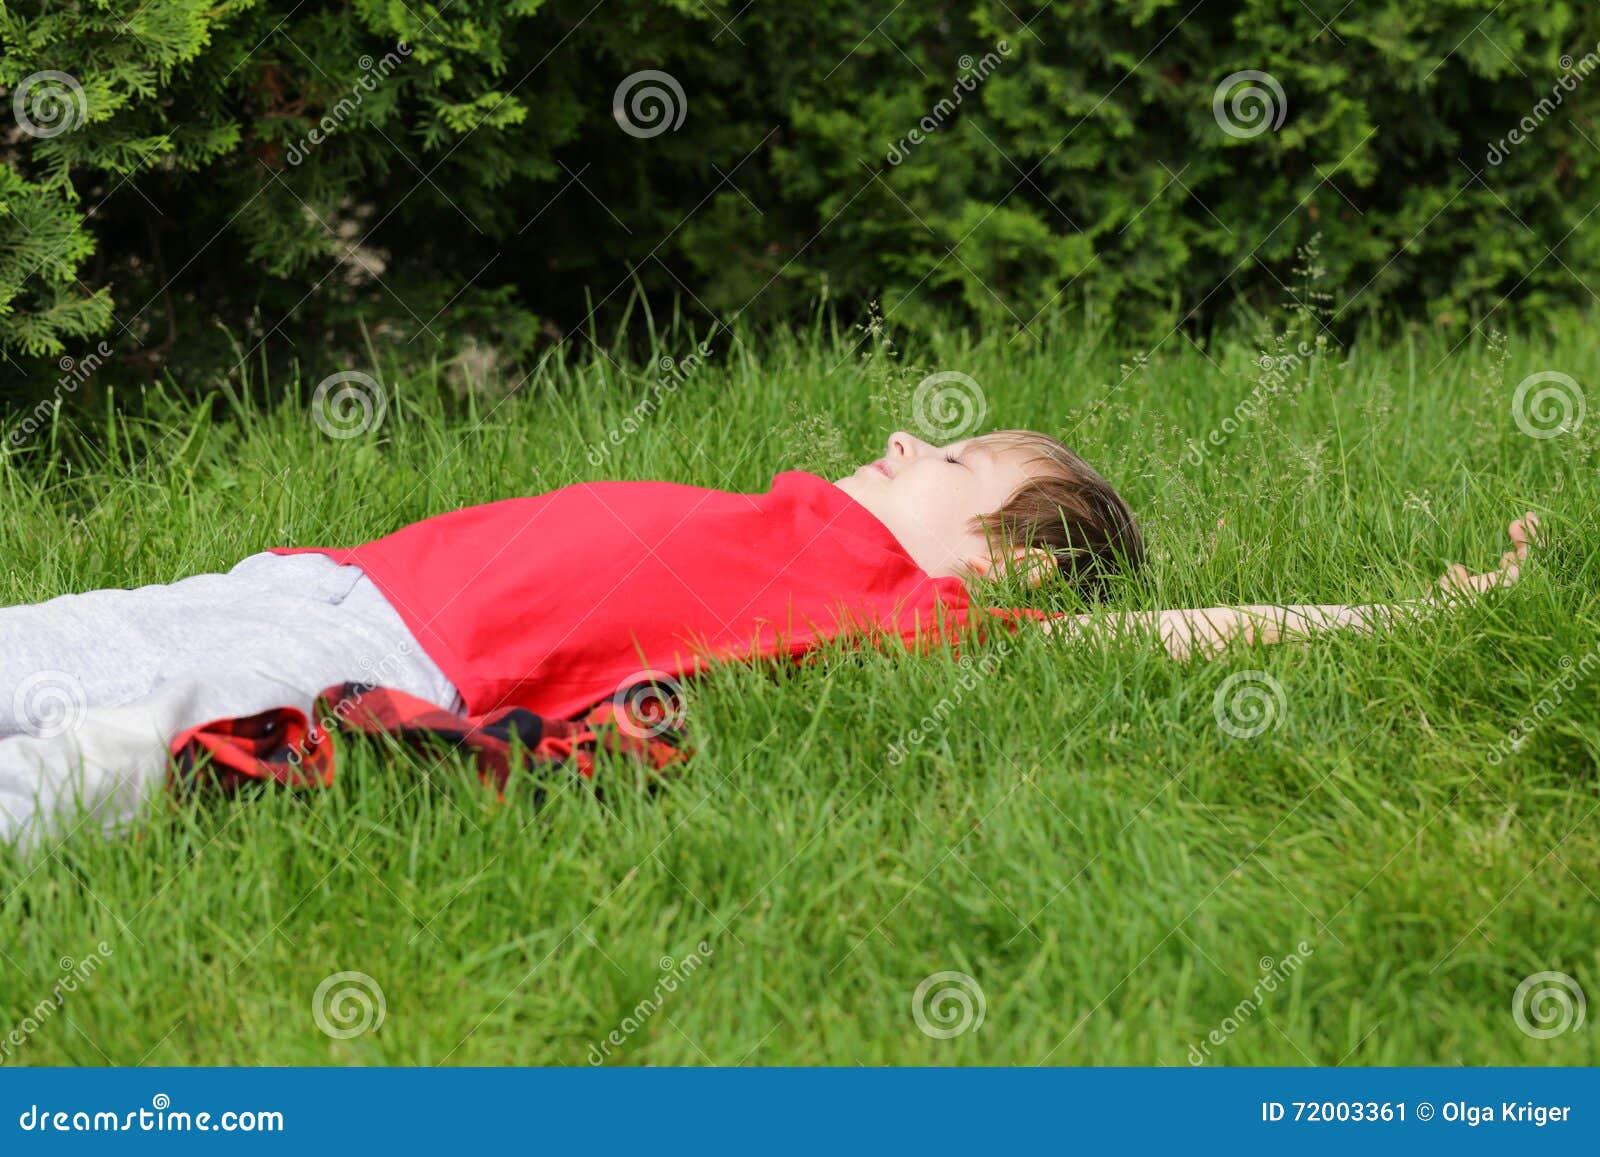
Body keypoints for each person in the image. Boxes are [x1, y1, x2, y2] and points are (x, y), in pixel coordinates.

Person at [0, 428, 1538, 846]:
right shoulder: (806, 517)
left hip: (393, 661)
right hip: (310, 575)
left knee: (100, 729)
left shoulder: (904, 611)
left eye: (950, 460)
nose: (897, 439)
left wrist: (1418, 610)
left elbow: (1171, 634)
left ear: (993, 559)